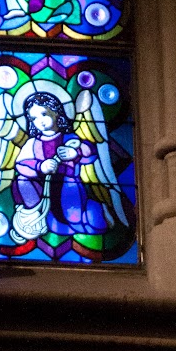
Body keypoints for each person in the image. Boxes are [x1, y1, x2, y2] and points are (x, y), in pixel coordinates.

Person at [10, 91, 109, 243]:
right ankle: (36, 215)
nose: (40, 121)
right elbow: (21, 164)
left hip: (68, 185)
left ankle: (97, 210)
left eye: (44, 114)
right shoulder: (32, 143)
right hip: (43, 189)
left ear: (56, 112)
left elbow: (91, 153)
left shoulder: (70, 138)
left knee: (77, 221)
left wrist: (75, 152)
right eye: (34, 118)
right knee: (53, 224)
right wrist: (40, 166)